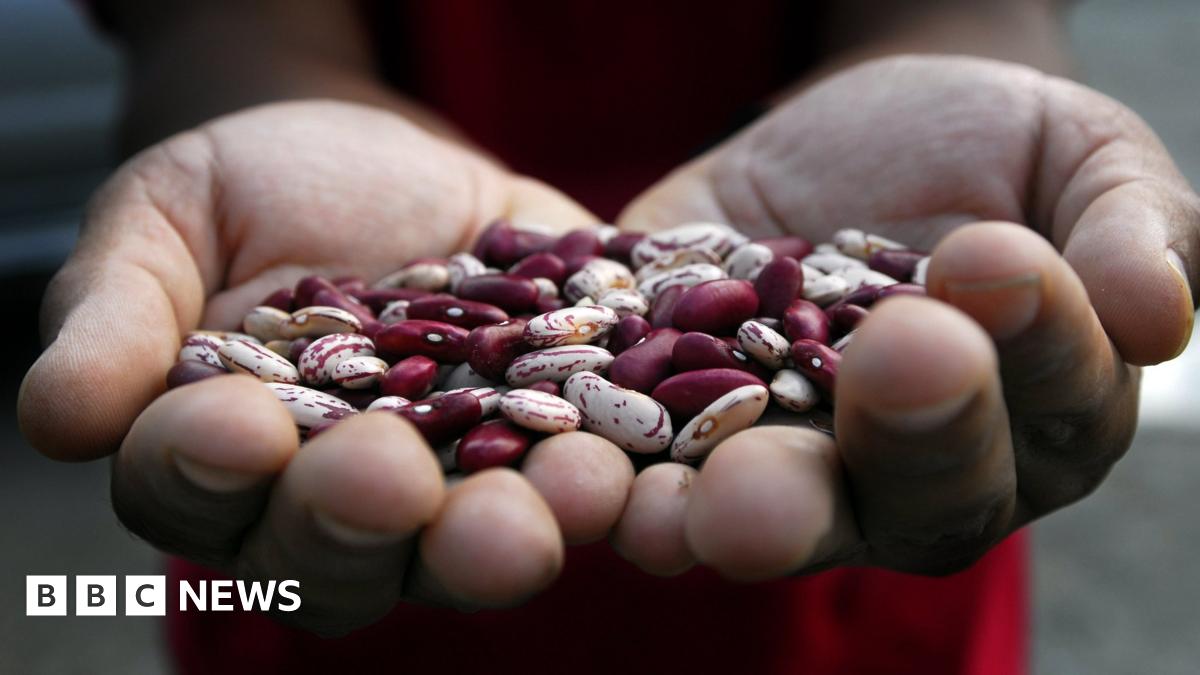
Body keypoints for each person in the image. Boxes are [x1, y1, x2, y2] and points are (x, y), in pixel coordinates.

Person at [19, 1, 1199, 673]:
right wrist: (264, 117)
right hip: (336, 590)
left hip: (846, 560)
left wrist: (959, 68)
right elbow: (213, 22)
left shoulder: (807, 332)